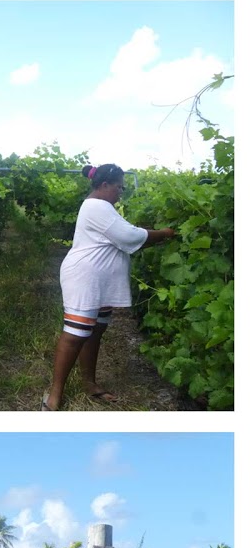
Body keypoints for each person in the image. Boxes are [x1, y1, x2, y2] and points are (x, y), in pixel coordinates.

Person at [44, 163, 178, 410]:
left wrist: (153, 235)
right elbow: (128, 237)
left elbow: (127, 236)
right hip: (84, 278)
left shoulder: (103, 207)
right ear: (104, 185)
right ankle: (54, 394)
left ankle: (89, 384)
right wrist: (166, 233)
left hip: (100, 281)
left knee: (95, 331)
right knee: (75, 334)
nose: (121, 192)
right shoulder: (96, 206)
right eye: (119, 187)